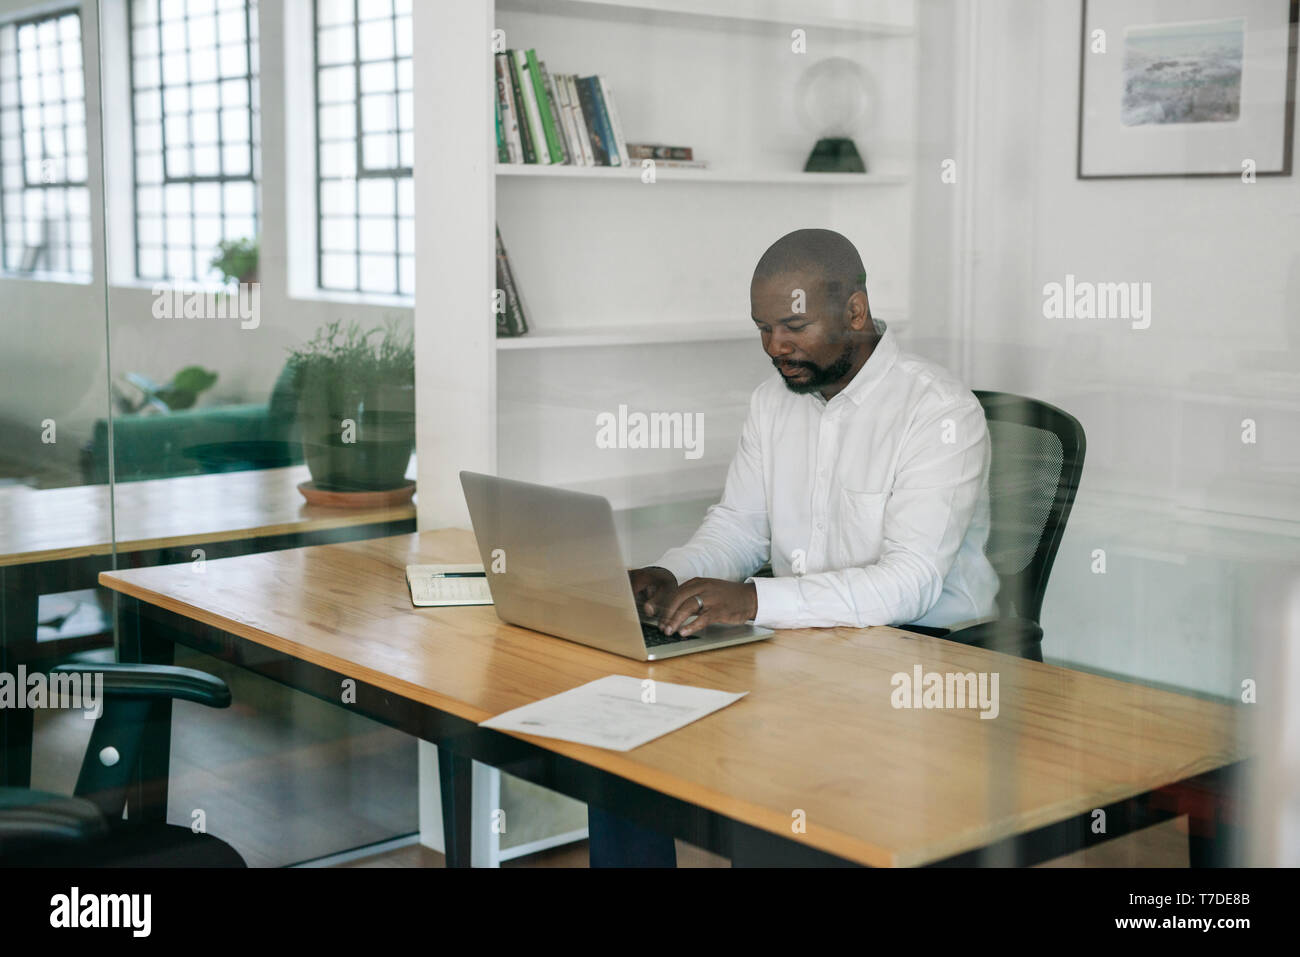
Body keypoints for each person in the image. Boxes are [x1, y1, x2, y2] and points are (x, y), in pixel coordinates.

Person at [588, 227, 999, 867]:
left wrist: (751, 601)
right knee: (621, 742)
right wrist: (671, 573)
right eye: (762, 328)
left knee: (783, 806)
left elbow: (911, 582)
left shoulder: (939, 411)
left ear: (855, 311)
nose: (775, 347)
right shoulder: (773, 403)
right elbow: (740, 527)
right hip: (804, 643)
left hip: (926, 657)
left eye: (793, 326)